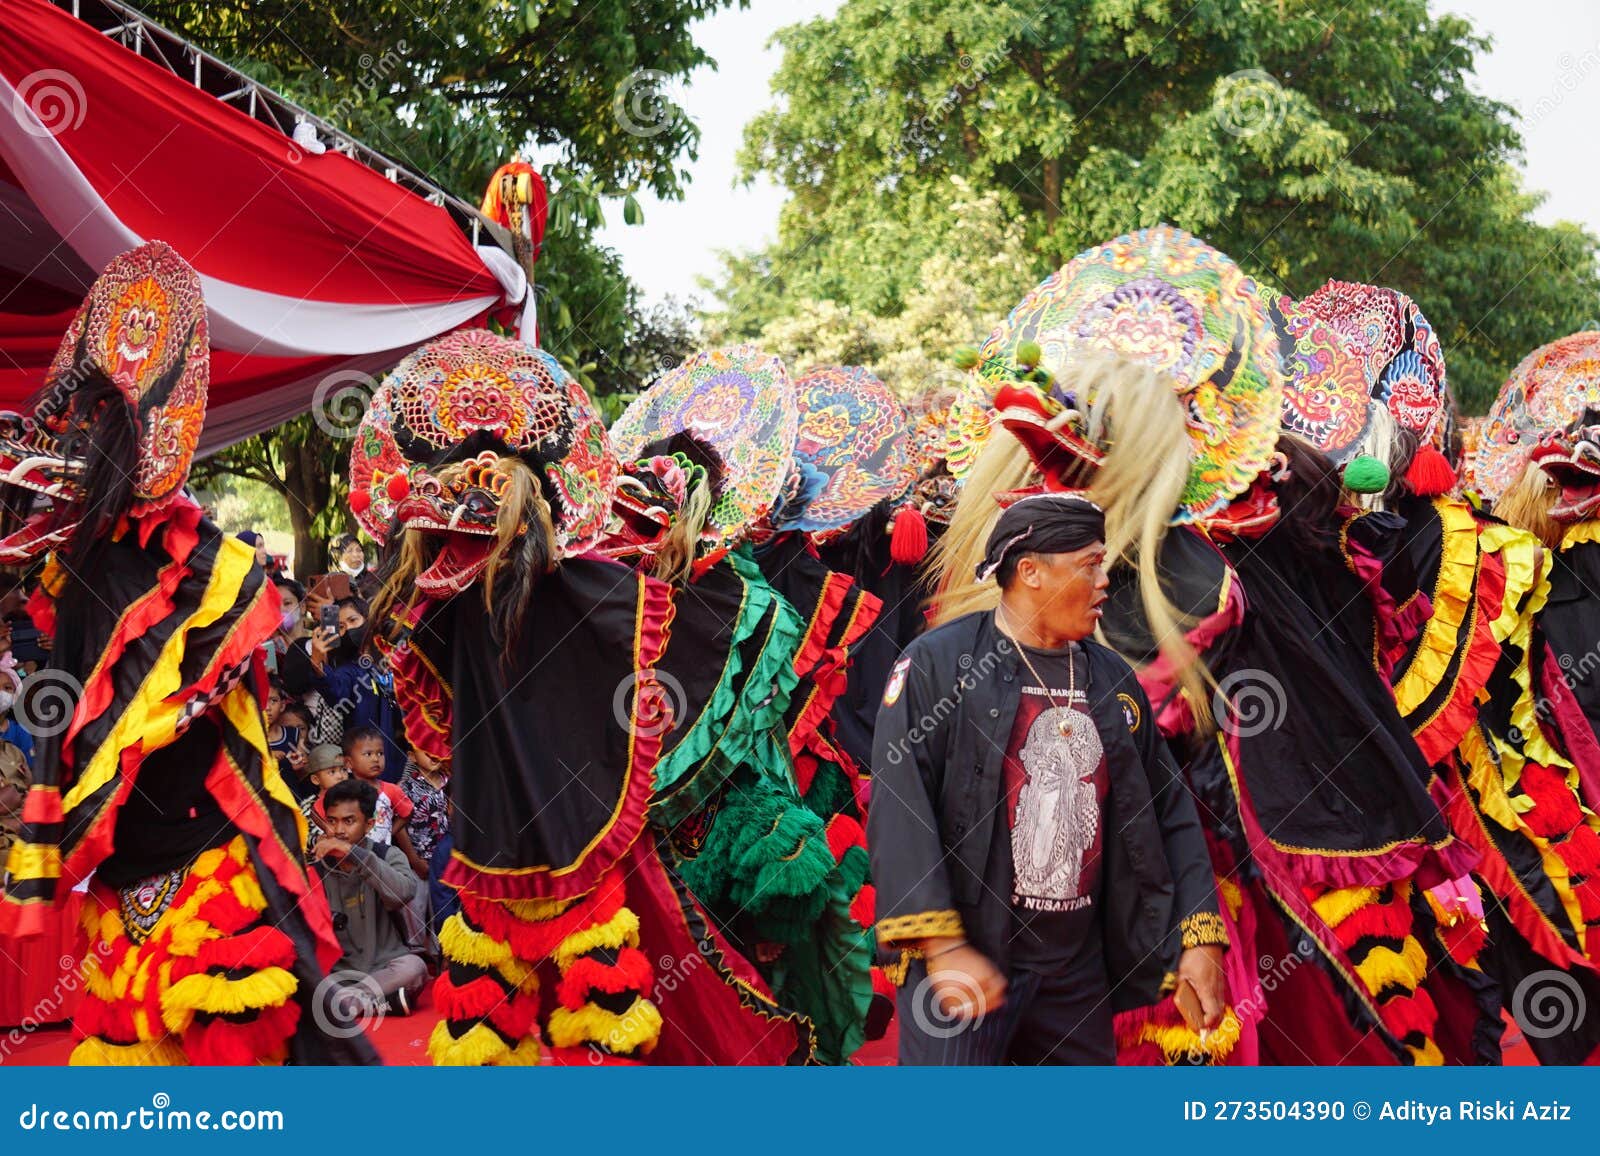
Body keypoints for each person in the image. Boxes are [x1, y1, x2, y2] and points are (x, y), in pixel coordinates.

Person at [869, 492, 1227, 1065]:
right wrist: (944, 947)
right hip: (972, 953)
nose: (1106, 582)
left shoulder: (1113, 680)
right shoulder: (937, 667)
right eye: (1089, 564)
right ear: (1030, 571)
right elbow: (898, 803)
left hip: (1074, 970)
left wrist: (1200, 937)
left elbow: (1169, 811)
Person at [313, 779, 427, 1016]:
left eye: (349, 821)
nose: (338, 831)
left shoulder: (388, 854)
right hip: (339, 974)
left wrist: (355, 854)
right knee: (303, 981)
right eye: (332, 821)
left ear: (370, 824)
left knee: (415, 968)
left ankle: (345, 1007)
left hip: (387, 966)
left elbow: (403, 893)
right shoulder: (317, 868)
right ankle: (378, 1004)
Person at [308, 596, 405, 778]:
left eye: (353, 620)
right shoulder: (349, 671)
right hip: (369, 766)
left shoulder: (394, 654)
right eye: (342, 627)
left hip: (406, 758)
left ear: (368, 620)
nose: (350, 629)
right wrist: (317, 660)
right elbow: (335, 691)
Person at [344, 726, 425, 876]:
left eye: (380, 753)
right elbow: (318, 811)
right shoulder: (344, 792)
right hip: (352, 857)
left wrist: (390, 831)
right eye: (368, 754)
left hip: (383, 857)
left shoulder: (391, 790)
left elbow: (407, 812)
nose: (376, 759)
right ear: (349, 763)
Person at [399, 746, 449, 875]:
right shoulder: (406, 788)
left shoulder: (451, 781)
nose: (433, 753)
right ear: (412, 756)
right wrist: (414, 860)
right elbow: (399, 828)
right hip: (423, 863)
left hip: (451, 861)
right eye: (426, 750)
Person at [302, 743, 351, 855]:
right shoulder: (308, 807)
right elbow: (301, 835)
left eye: (343, 770)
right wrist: (317, 840)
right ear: (315, 779)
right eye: (332, 772)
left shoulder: (355, 800)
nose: (340, 776)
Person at [331, 533, 380, 600]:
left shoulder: (374, 580)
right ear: (337, 556)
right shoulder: (329, 583)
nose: (356, 555)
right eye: (349, 551)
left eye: (359, 550)